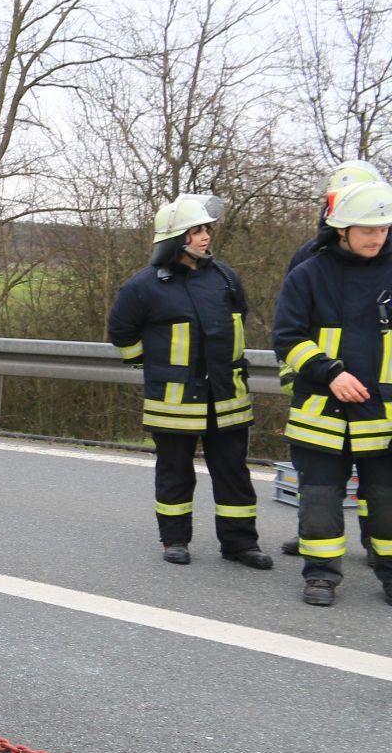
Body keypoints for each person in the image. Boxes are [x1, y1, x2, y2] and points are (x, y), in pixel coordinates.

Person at [108, 195, 270, 570]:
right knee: (175, 472)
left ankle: (241, 544)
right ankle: (175, 540)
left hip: (227, 397)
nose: (205, 236)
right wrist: (151, 365)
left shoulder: (226, 277)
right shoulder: (145, 285)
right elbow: (121, 332)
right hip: (174, 400)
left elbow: (239, 319)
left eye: (206, 229)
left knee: (233, 473)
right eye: (196, 230)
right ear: (175, 238)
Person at [272, 178, 392, 607]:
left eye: (384, 229)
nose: (378, 237)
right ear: (342, 229)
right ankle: (321, 575)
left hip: (383, 414)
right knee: (320, 498)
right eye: (368, 229)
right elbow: (287, 338)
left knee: (387, 501)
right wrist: (331, 372)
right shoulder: (308, 274)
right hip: (322, 411)